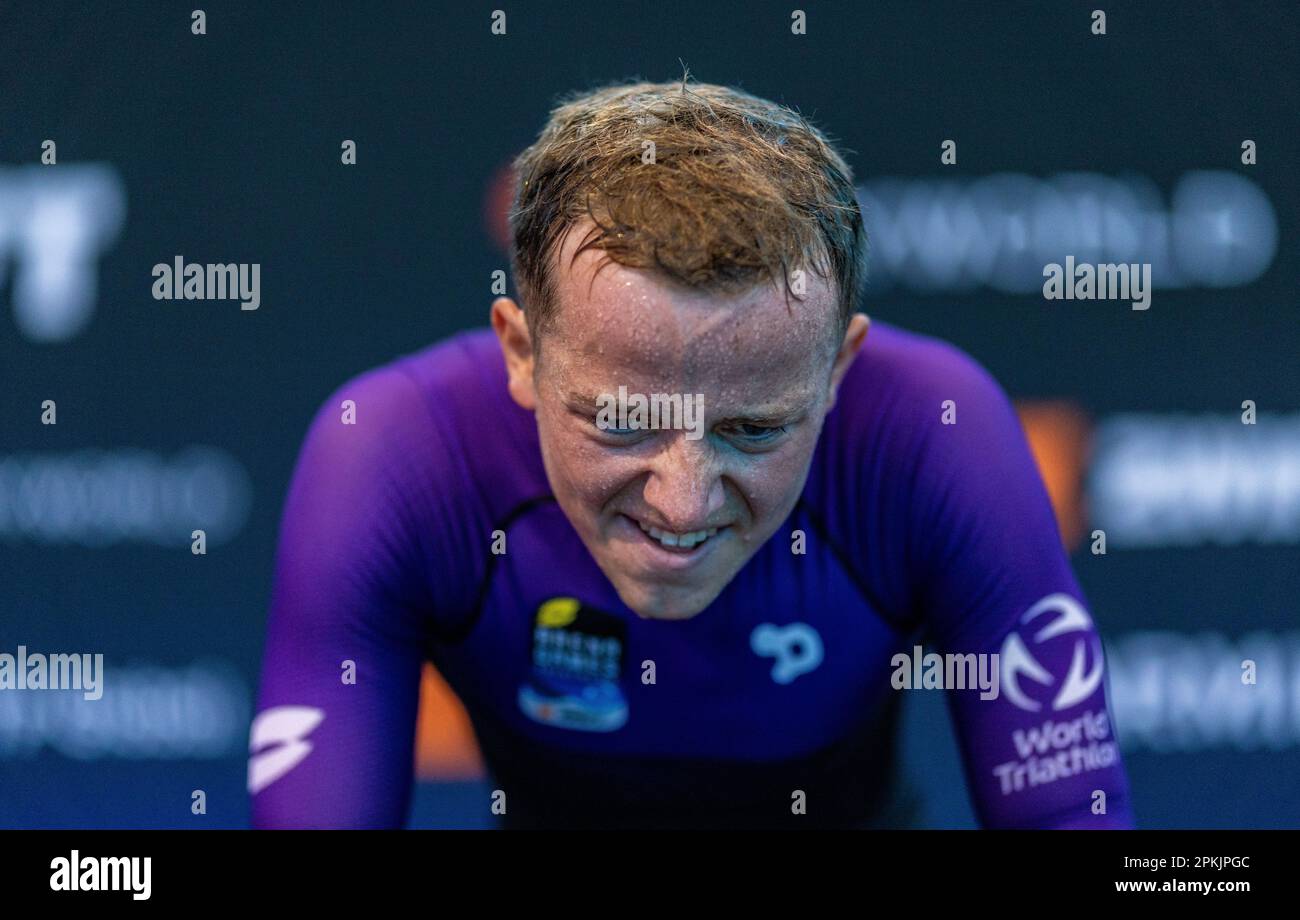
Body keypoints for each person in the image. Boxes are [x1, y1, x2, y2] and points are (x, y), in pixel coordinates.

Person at [249, 79, 1133, 829]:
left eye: (753, 431)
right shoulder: (398, 453)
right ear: (521, 353)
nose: (682, 504)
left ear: (838, 370)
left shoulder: (932, 433)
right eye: (622, 422)